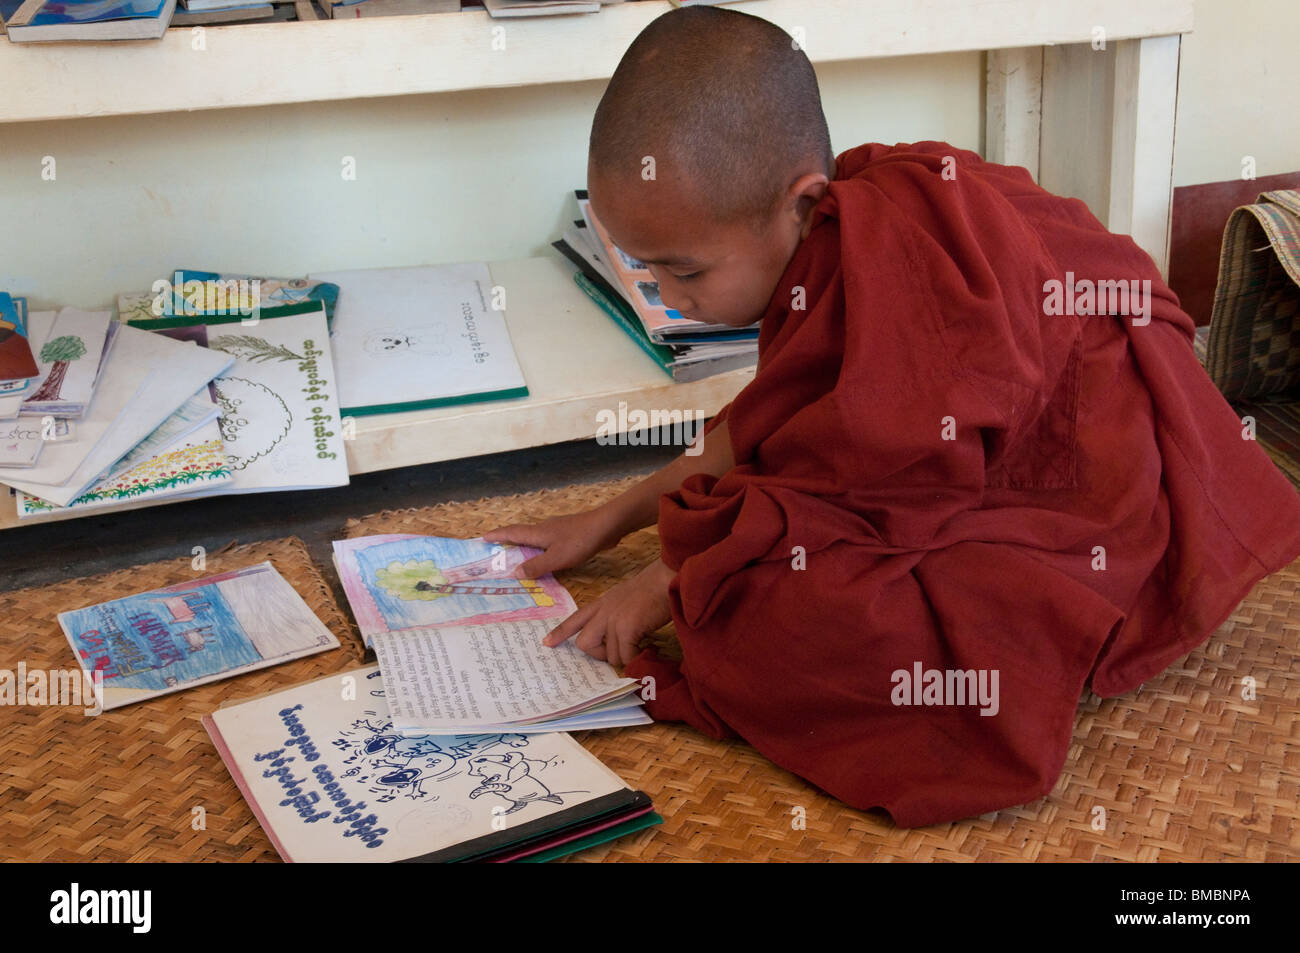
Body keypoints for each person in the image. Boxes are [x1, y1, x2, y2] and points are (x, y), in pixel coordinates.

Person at [485, 6, 1300, 827]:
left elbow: (878, 490)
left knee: (776, 617)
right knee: (748, 559)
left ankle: (1056, 639)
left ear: (801, 204)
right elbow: (774, 424)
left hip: (1085, 500)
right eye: (645, 268)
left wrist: (666, 583)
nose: (663, 295)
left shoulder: (900, 245)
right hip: (969, 465)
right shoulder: (829, 234)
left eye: (682, 268)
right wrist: (609, 517)